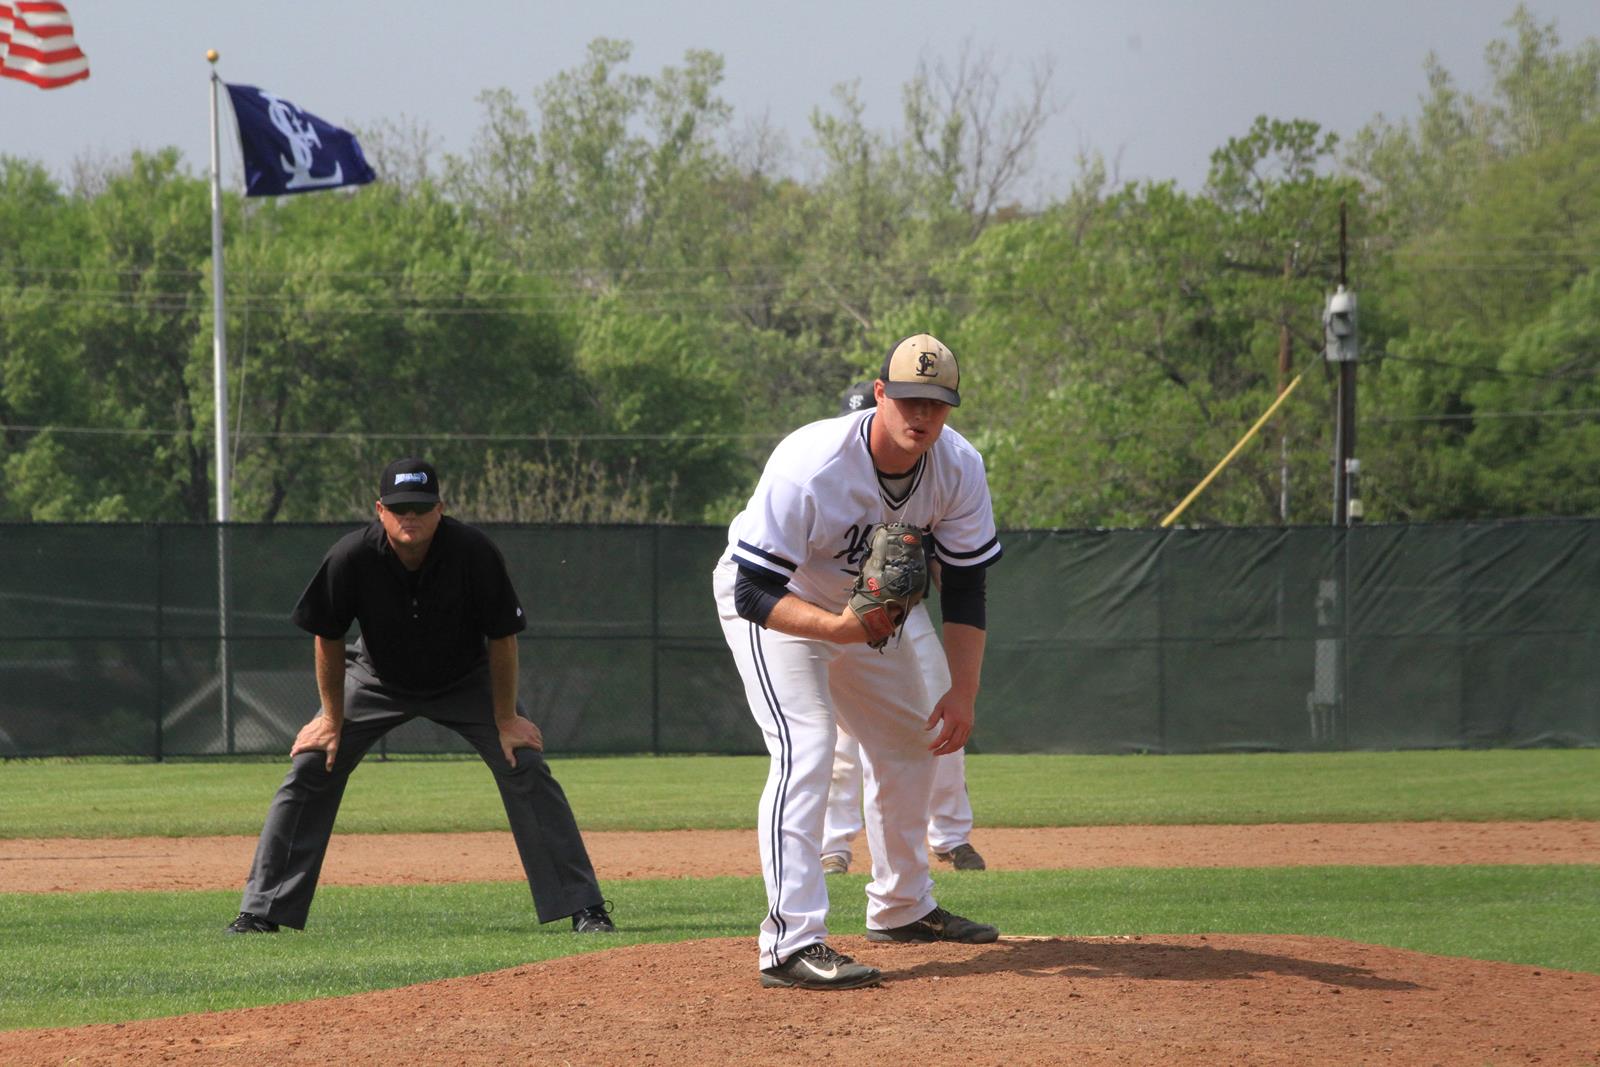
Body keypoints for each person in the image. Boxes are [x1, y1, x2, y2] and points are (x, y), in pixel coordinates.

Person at [713, 334, 1004, 990]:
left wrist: (962, 692)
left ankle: (902, 904)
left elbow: (966, 585)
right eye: (908, 397)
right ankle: (790, 941)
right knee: (808, 744)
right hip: (777, 605)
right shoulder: (814, 460)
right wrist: (835, 631)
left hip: (860, 615)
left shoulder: (958, 467)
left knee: (911, 738)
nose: (921, 414)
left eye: (937, 401)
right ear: (880, 395)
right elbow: (750, 589)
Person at [227, 457, 615, 936]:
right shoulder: (352, 556)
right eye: (399, 508)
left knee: (525, 764)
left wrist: (507, 718)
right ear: (380, 511)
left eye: (420, 507)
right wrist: (330, 718)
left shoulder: (474, 552)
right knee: (311, 763)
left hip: (466, 679)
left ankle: (585, 907)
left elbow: (503, 638)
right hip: (375, 678)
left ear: (440, 509)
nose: (410, 516)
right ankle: (261, 910)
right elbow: (326, 635)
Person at [822, 381, 986, 875]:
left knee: (939, 707)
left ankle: (951, 835)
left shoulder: (933, 472)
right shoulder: (833, 470)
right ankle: (834, 844)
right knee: (839, 737)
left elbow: (954, 570)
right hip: (832, 606)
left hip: (902, 613)